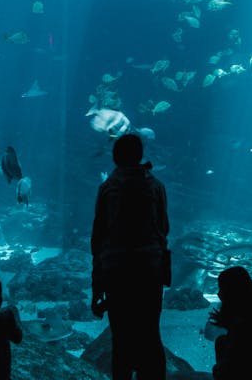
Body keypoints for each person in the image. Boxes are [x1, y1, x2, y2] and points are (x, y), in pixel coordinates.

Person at [90, 132, 170, 380]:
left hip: (117, 272)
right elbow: (164, 228)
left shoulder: (108, 188)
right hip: (150, 271)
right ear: (140, 155)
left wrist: (96, 287)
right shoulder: (155, 186)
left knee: (121, 339)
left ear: (115, 157)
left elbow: (98, 238)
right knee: (150, 334)